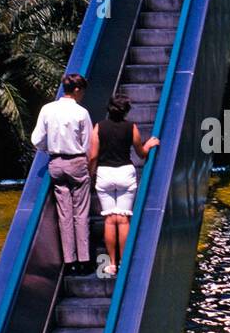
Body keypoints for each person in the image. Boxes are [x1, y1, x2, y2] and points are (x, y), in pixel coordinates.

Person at [87, 95, 159, 275]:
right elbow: (141, 153)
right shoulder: (131, 127)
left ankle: (112, 263)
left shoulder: (99, 127)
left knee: (110, 220)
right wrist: (148, 145)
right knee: (123, 219)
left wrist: (90, 173)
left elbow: (94, 155)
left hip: (105, 173)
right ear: (126, 110)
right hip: (125, 173)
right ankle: (124, 262)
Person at [31, 73, 93, 274]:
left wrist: (48, 148)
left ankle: (69, 261)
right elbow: (88, 143)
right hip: (76, 161)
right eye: (82, 90)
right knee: (80, 212)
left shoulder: (47, 109)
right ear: (77, 90)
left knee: (64, 213)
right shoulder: (81, 112)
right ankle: (84, 259)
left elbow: (37, 139)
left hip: (56, 163)